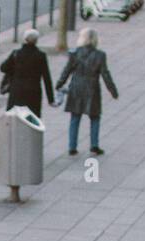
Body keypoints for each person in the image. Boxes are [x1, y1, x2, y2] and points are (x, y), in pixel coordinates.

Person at [56, 27, 118, 156]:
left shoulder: (75, 53)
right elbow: (105, 74)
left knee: (75, 117)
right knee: (95, 117)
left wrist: (59, 83)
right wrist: (112, 90)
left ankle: (72, 146)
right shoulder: (100, 55)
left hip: (76, 87)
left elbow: (67, 70)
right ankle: (94, 145)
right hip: (92, 88)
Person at [0, 28, 54, 118]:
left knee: (14, 118)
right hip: (33, 92)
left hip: (17, 91)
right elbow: (47, 78)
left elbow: (3, 68)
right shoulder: (41, 56)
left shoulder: (16, 54)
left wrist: (14, 69)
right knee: (32, 118)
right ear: (36, 41)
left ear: (25, 39)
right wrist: (51, 99)